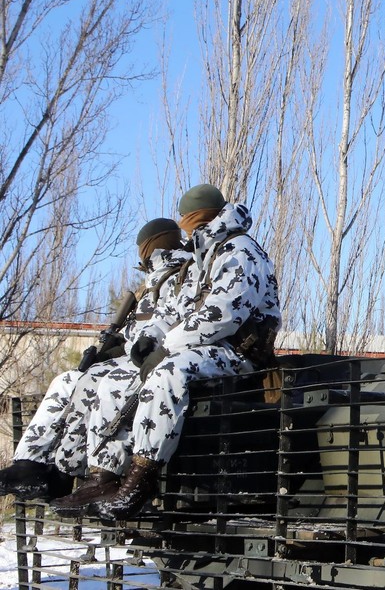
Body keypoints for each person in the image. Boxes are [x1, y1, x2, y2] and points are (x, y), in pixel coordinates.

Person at [90, 185, 281, 520]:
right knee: (119, 379)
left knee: (168, 373)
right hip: (206, 350)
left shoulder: (241, 252)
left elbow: (223, 314)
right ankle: (104, 474)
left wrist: (167, 347)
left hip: (239, 356)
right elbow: (179, 310)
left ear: (202, 218)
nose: (186, 228)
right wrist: (150, 340)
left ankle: (143, 478)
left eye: (189, 221)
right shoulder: (207, 254)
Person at [0, 219, 188, 503]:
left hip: (158, 361)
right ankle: (31, 463)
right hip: (132, 357)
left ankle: (70, 472)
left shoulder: (184, 273)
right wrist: (108, 350)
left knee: (98, 382)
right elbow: (133, 333)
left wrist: (137, 348)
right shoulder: (147, 285)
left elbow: (172, 325)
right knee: (65, 382)